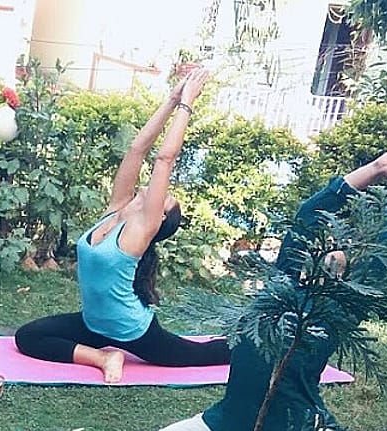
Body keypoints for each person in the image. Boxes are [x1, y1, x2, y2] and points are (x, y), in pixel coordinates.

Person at [147, 143, 387, 431]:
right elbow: (310, 213)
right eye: (325, 248)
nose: (330, 252)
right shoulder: (282, 284)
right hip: (232, 426)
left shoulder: (342, 307)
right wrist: (376, 168)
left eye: (339, 255)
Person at [13, 67, 230, 384]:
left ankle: (260, 343)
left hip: (132, 330)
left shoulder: (142, 229)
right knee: (28, 337)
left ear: (158, 218)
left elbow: (164, 159)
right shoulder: (117, 208)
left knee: (201, 354)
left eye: (164, 198)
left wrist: (187, 104)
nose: (159, 191)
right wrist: (171, 99)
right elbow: (137, 149)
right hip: (94, 325)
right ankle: (102, 357)